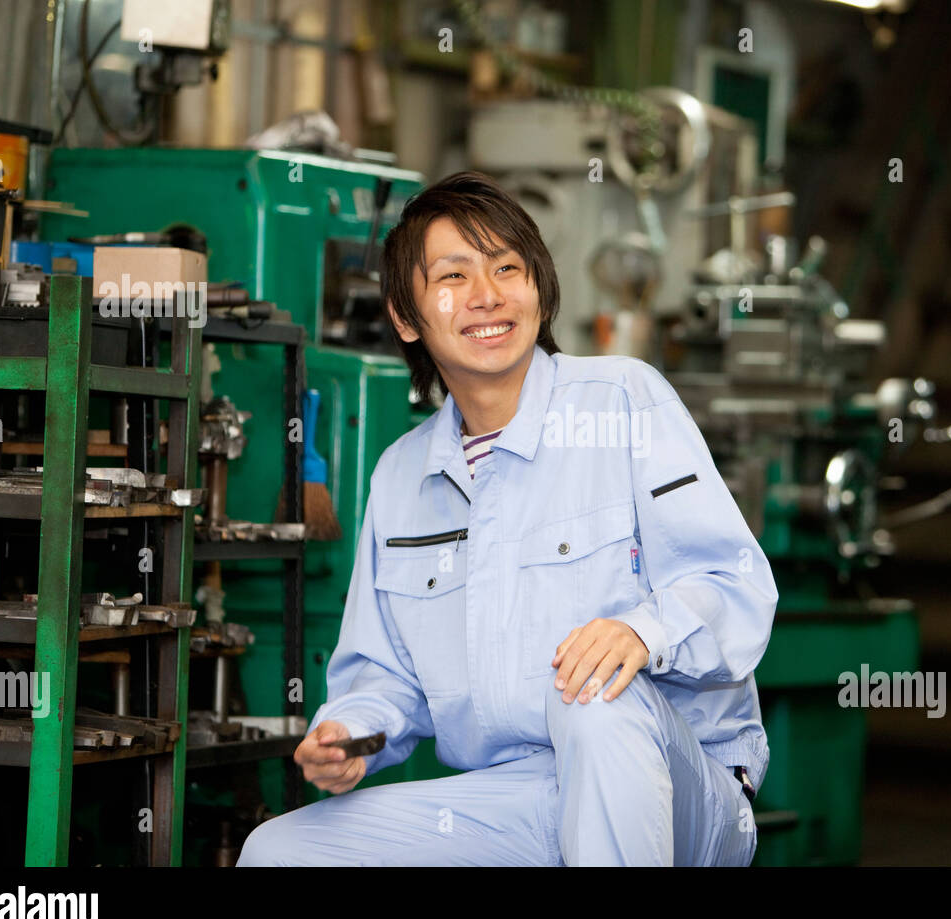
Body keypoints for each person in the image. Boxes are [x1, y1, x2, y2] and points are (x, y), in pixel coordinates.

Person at [237, 171, 778, 866]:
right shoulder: (403, 475)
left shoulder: (622, 402)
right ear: (406, 316)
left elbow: (735, 585)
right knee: (280, 852)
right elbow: (386, 678)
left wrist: (644, 632)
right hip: (516, 798)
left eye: (507, 268)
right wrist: (349, 735)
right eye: (454, 276)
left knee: (592, 697)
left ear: (539, 290)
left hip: (677, 790)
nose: (487, 295)